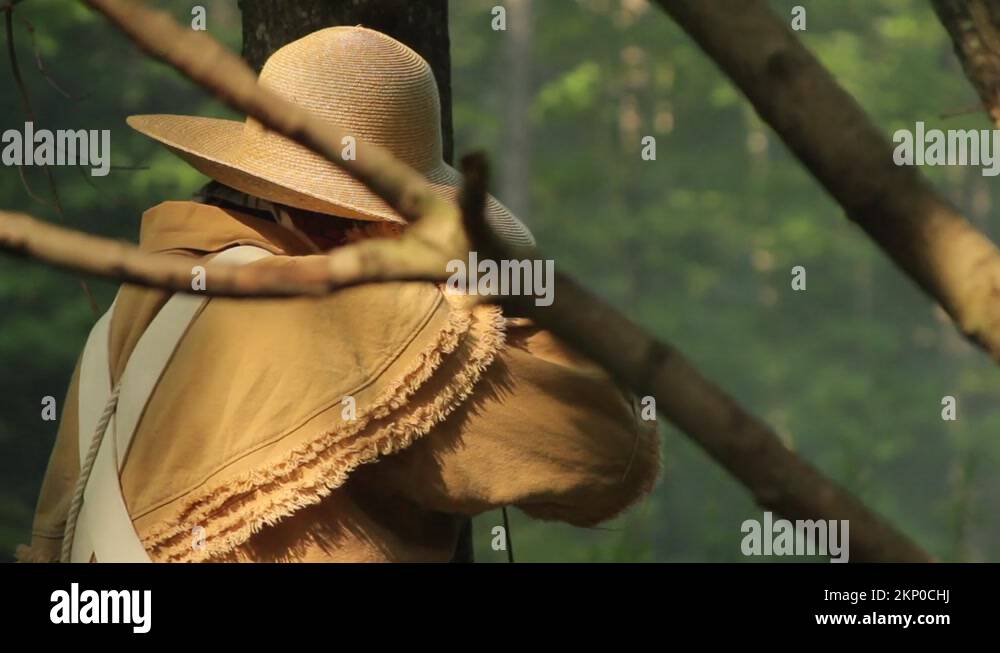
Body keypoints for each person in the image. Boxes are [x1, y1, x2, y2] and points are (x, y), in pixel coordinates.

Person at [16, 26, 659, 563]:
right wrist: (474, 300)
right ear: (360, 224)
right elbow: (604, 451)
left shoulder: (127, 324)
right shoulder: (360, 320)